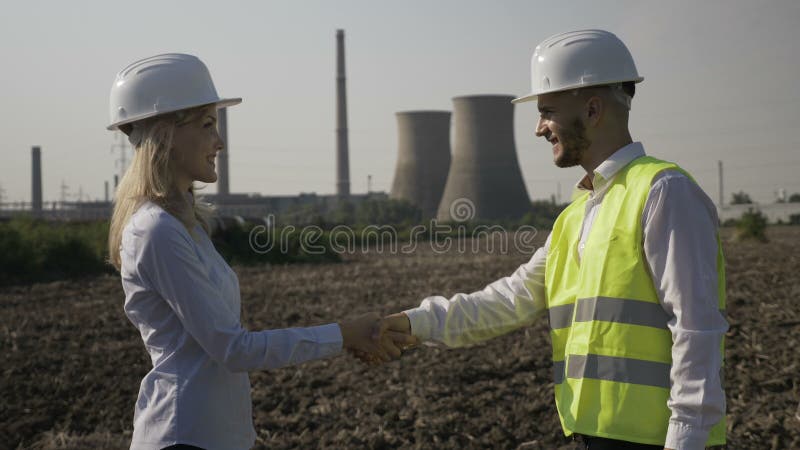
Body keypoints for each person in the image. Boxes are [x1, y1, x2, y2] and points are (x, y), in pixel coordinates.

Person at [380, 30, 728, 450]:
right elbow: (506, 302)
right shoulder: (574, 218)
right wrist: (411, 323)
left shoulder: (663, 193)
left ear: (593, 109)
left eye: (546, 112)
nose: (539, 129)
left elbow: (697, 329)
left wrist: (687, 440)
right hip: (593, 436)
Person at [106, 53, 408, 450]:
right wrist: (344, 334)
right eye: (208, 124)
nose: (220, 142)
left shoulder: (185, 224)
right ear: (167, 132)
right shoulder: (156, 231)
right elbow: (233, 349)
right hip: (185, 435)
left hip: (216, 436)